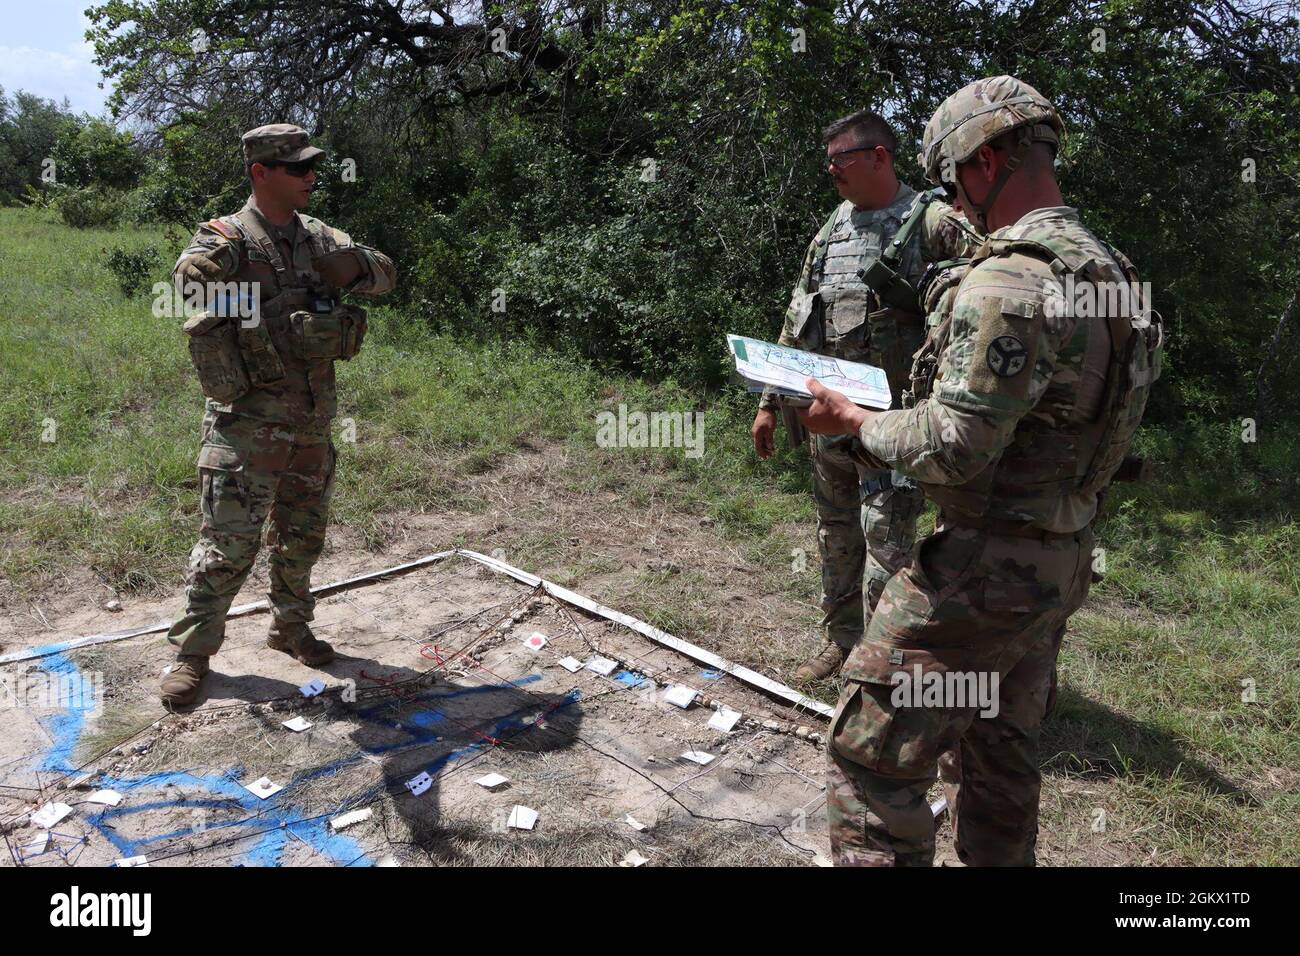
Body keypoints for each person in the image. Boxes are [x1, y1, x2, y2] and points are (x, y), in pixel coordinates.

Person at [798, 76, 1162, 865]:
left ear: (988, 159)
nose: (955, 204)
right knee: (1000, 753)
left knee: (872, 758)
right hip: (1058, 558)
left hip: (982, 567)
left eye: (954, 178)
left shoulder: (1012, 278)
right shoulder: (1110, 270)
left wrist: (855, 424)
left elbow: (956, 442)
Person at [160, 124, 397, 708]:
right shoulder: (229, 237)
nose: (311, 177)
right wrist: (257, 301)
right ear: (260, 174)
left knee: (302, 534)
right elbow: (183, 291)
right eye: (297, 169)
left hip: (313, 420)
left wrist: (358, 268)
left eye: (313, 166)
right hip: (246, 423)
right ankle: (194, 652)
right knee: (228, 543)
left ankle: (289, 627)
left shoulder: (320, 237)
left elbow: (386, 276)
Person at [751, 109, 979, 681]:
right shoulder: (833, 228)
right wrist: (769, 403)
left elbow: (977, 316)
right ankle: (841, 639)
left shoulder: (934, 223)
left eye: (841, 162)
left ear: (880, 157)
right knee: (835, 532)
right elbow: (799, 312)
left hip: (890, 427)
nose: (832, 173)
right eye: (827, 163)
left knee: (889, 546)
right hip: (826, 420)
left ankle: (880, 661)